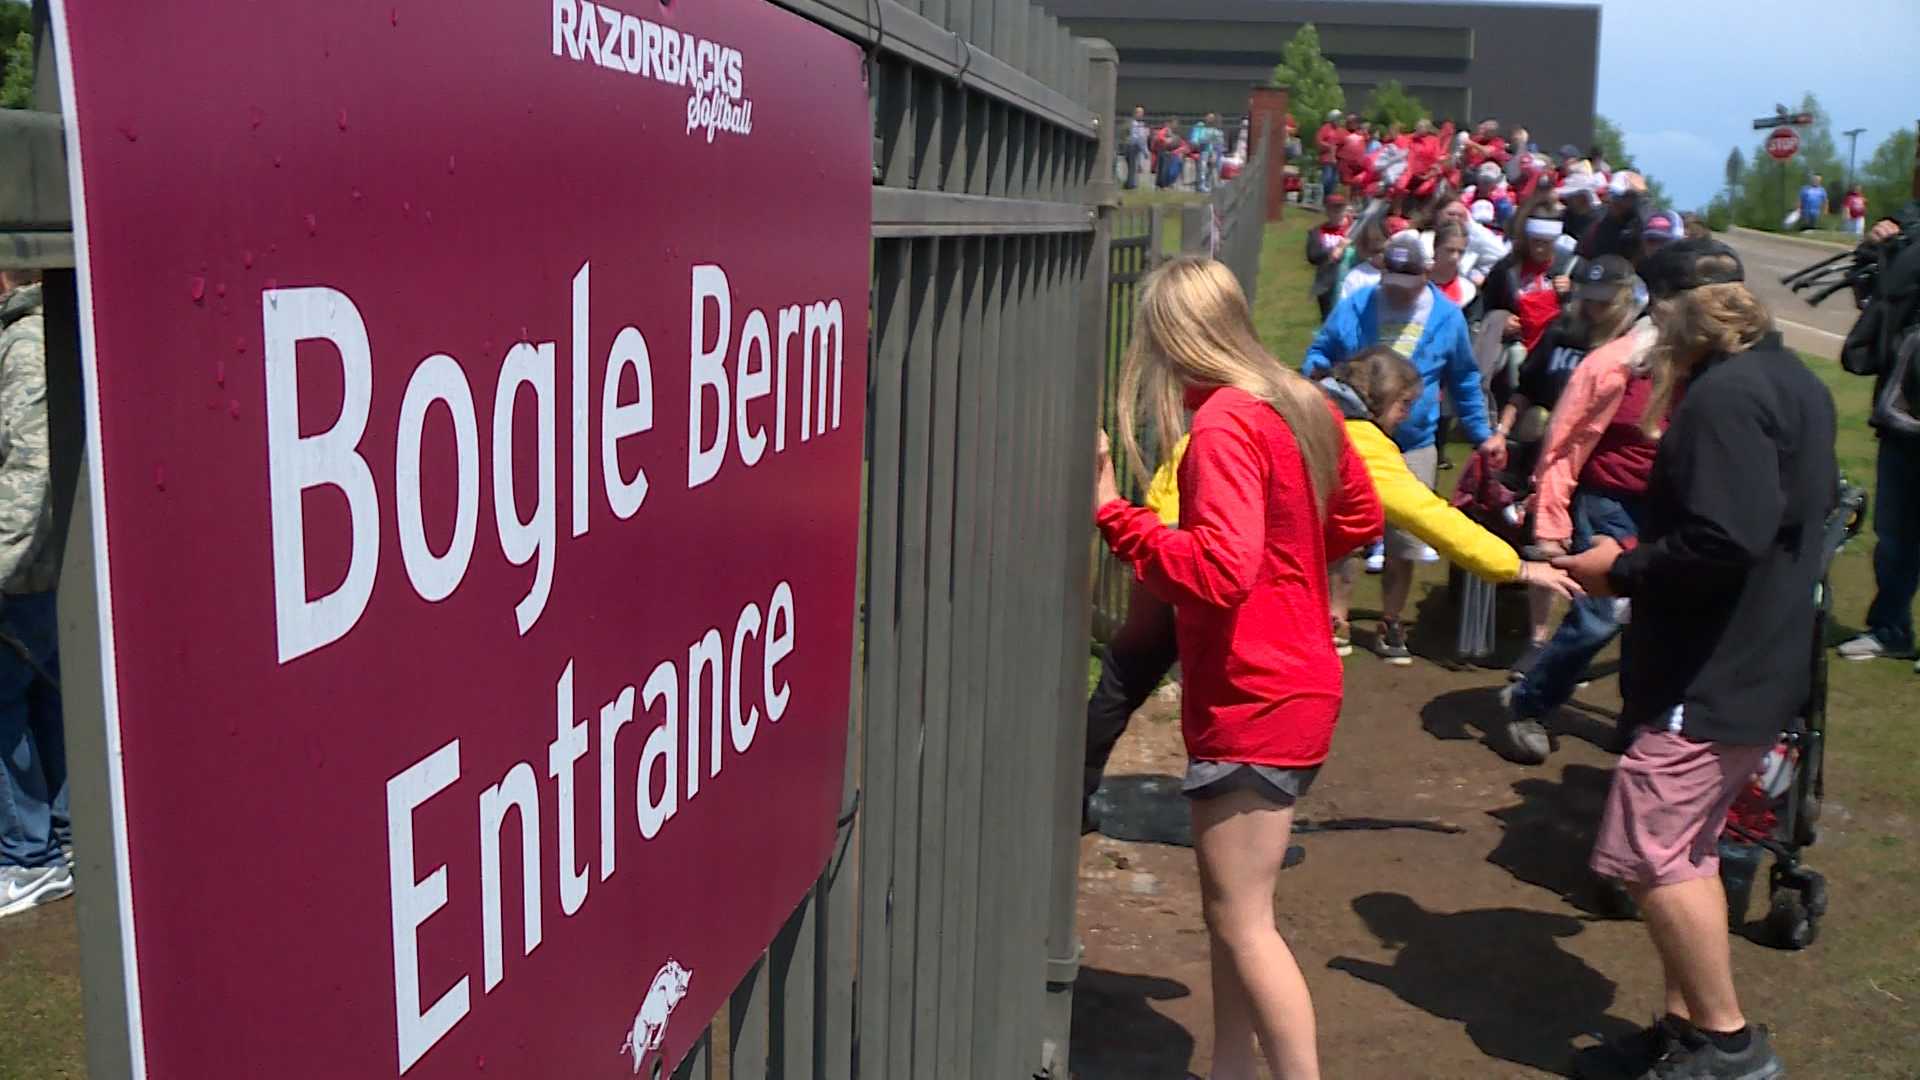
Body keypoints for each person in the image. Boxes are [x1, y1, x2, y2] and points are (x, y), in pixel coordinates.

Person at [1095, 256, 1383, 1080]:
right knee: (1236, 915)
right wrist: (1294, 566)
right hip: (1295, 678)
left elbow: (1218, 572)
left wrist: (1115, 515)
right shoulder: (1297, 398)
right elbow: (1358, 513)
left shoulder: (1222, 424)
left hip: (1254, 695)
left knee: (1245, 921)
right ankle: (1230, 1068)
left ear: (1173, 337)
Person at [1555, 239, 1829, 1080]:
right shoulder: (1791, 382)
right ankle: (1686, 1030)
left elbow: (1726, 539)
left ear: (1668, 314)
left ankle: (1731, 1045)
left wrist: (1623, 567)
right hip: (1755, 660)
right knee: (1692, 850)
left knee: (1648, 853)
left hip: (1711, 671)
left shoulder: (1727, 399)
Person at [1306, 232, 1506, 664]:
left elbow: (1465, 380)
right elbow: (1320, 352)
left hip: (1413, 441)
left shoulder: (1447, 317)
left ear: (1426, 273)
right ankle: (1334, 616)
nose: (1395, 289)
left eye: (1405, 281)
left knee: (1405, 535)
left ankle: (1390, 619)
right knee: (1343, 529)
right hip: (1351, 436)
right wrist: (1314, 389)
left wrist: (1480, 432)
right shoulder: (1358, 304)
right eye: (1389, 279)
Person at [1494, 258, 1659, 760]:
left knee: (1652, 615)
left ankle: (1638, 721)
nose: (1588, 310)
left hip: (1664, 502)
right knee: (1602, 612)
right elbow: (1563, 440)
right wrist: (1550, 516)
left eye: (1601, 302)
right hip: (1607, 495)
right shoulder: (1593, 354)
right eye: (1584, 300)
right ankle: (1530, 701)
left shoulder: (1659, 353)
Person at [1319, 348, 1579, 601]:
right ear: (1383, 396)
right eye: (1404, 403)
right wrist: (1517, 567)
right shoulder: (1361, 442)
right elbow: (1425, 514)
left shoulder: (1320, 411)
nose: (1406, 416)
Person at [0, 269, 70, 921]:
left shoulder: (26, 341)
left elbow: (31, 467)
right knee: (41, 696)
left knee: (7, 707)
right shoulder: (40, 332)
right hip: (41, 566)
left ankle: (26, 857)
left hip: (21, 567)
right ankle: (60, 841)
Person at [1836, 208, 1920, 668]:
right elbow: (1874, 309)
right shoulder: (1908, 232)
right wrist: (1872, 252)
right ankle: (1890, 627)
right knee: (1896, 531)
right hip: (1903, 410)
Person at [1581, 171, 1651, 260]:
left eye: (1623, 196)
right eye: (1613, 194)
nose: (1615, 201)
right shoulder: (1599, 217)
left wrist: (1643, 197)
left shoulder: (1637, 228)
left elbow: (1647, 227)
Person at [1306, 194, 1353, 321]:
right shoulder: (1317, 231)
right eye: (1333, 209)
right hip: (1327, 285)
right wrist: (1333, 250)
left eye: (1340, 208)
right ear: (1327, 211)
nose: (1337, 212)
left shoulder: (1355, 229)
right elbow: (1312, 256)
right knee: (1329, 321)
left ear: (1346, 209)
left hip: (1351, 282)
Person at [1192, 112, 1225, 193]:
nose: (1211, 119)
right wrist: (1203, 140)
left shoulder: (1215, 130)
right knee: (1203, 163)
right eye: (1209, 117)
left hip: (1212, 151)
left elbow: (1219, 142)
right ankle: (1201, 185)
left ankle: (1209, 184)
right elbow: (1196, 139)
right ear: (1205, 118)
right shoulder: (1200, 127)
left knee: (1216, 162)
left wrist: (1214, 152)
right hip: (1202, 150)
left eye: (1212, 118)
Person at [1316, 110, 1344, 197]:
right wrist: (1328, 146)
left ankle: (1329, 198)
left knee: (1334, 180)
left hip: (1336, 159)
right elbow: (1319, 141)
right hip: (1327, 159)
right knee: (1327, 178)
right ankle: (1322, 196)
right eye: (1338, 119)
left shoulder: (1340, 130)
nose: (1339, 121)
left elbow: (1344, 142)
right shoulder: (1325, 128)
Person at [1124, 105, 1149, 190]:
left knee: (1135, 167)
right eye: (1138, 112)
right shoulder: (1131, 124)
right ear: (1134, 113)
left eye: (1142, 113)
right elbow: (1137, 138)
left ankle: (1131, 183)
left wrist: (1145, 150)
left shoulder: (1142, 125)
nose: (1140, 114)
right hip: (1131, 147)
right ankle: (1131, 185)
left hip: (1137, 148)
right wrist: (1145, 151)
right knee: (1132, 167)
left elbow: (1143, 139)